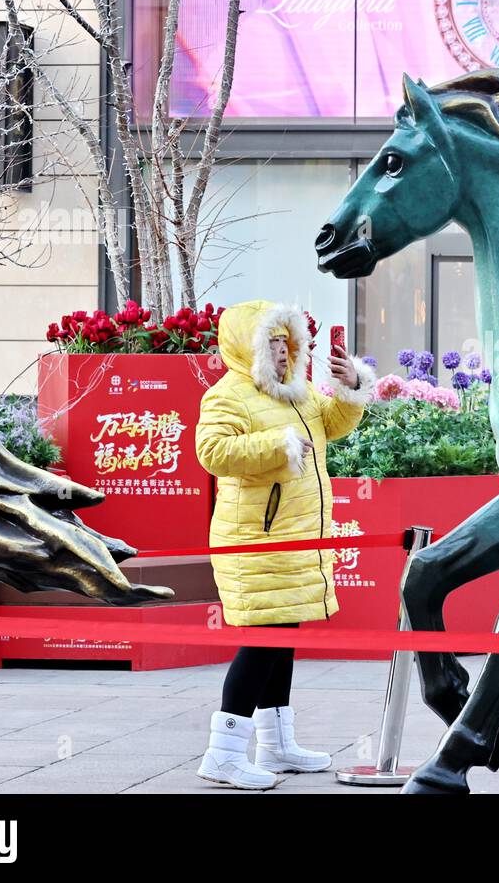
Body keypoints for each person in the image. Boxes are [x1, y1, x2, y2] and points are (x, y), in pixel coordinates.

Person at [193, 300, 375, 789]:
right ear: (246, 348)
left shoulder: (297, 393)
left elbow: (332, 425)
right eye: (271, 345)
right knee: (263, 641)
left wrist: (350, 387)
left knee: (281, 639)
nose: (281, 353)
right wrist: (280, 443)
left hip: (295, 538)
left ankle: (276, 745)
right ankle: (224, 754)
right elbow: (211, 452)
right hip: (256, 539)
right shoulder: (228, 395)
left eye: (285, 344)